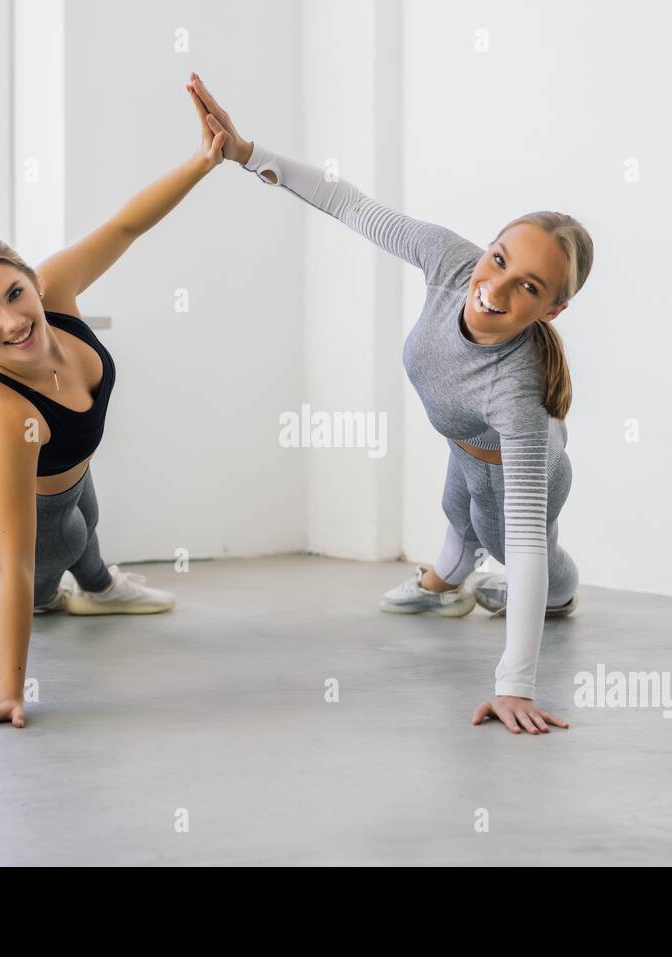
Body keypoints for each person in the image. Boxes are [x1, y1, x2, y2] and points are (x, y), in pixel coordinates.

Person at [187, 72, 593, 736]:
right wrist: (245, 152)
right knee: (454, 508)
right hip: (466, 444)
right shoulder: (452, 262)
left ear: (553, 308)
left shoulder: (516, 394)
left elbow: (520, 543)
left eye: (528, 287)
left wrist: (514, 685)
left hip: (514, 464)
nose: (495, 287)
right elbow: (352, 205)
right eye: (499, 258)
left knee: (519, 552)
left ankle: (561, 592)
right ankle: (444, 585)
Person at [0, 93, 229, 732]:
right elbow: (15, 559)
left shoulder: (56, 290)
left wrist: (205, 162)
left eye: (15, 293)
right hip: (31, 515)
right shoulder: (5, 413)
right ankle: (48, 601)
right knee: (56, 547)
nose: (13, 320)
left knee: (89, 521)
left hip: (74, 477)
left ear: (33, 281)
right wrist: (9, 690)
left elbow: (125, 226)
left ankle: (98, 590)